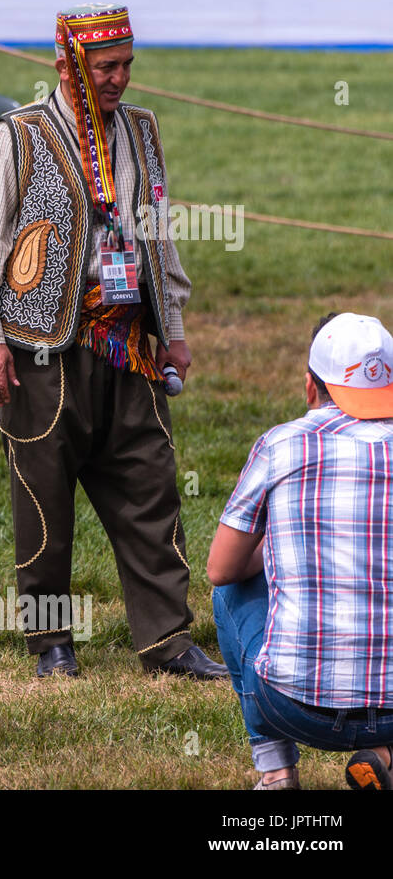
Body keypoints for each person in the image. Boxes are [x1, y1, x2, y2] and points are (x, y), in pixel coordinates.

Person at [0, 3, 227, 680]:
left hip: (129, 346)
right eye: (105, 66)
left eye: (126, 65)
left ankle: (168, 640)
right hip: (41, 349)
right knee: (43, 499)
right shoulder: (18, 135)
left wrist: (174, 330)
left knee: (151, 490)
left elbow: (158, 232)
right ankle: (51, 642)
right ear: (67, 64)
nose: (119, 78)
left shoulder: (143, 129)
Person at [209, 312, 393, 790]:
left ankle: (276, 771)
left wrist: (276, 548)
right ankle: (385, 752)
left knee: (228, 592)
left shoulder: (281, 444)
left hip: (290, 706)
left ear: (310, 386)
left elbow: (220, 569)